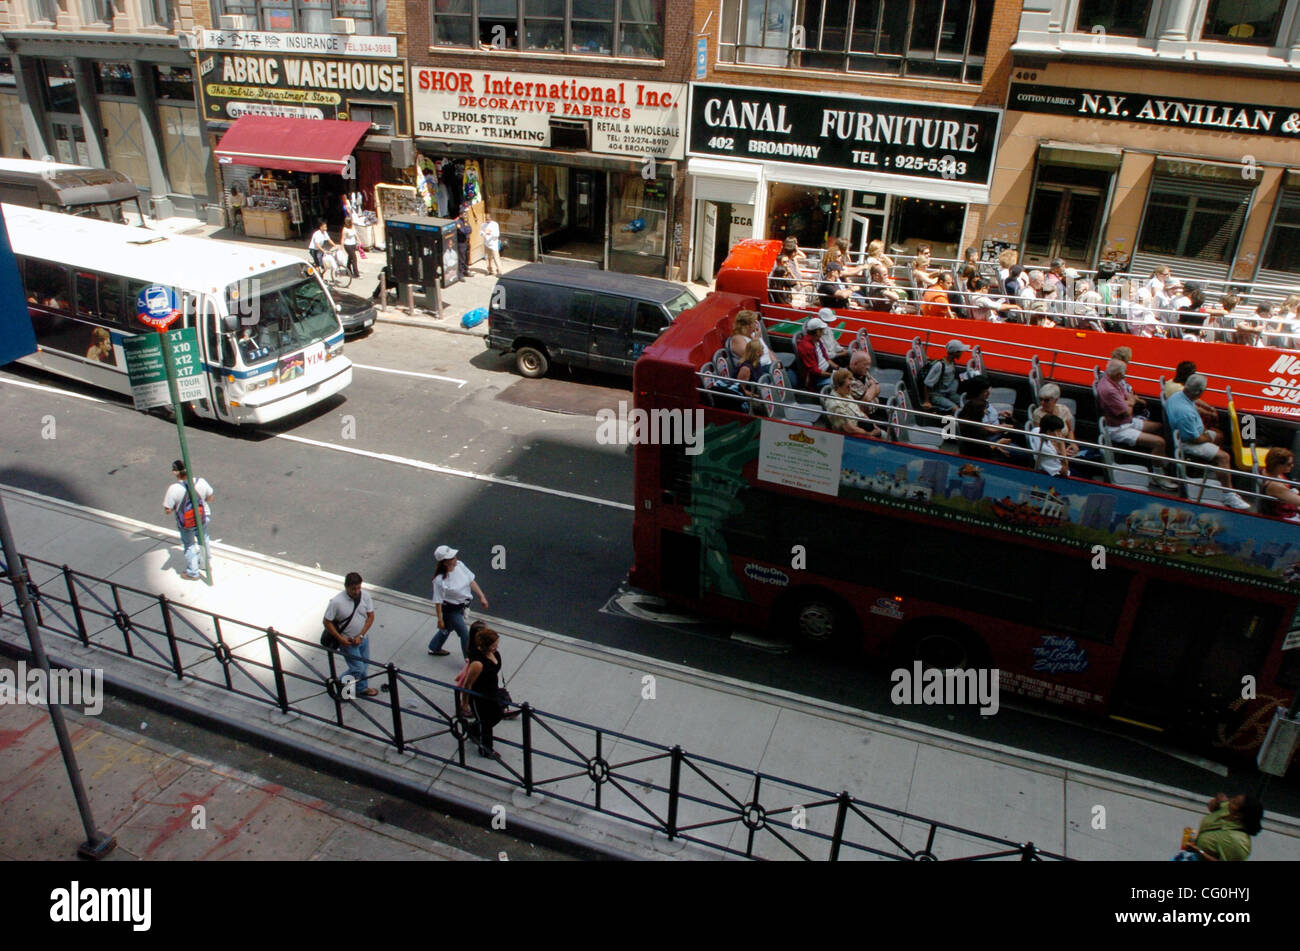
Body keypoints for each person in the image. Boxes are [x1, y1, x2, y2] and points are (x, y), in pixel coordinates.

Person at [1166, 375, 1251, 509]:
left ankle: (1220, 472)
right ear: (1199, 391)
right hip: (1189, 443)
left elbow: (1194, 403)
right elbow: (1194, 439)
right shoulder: (1185, 413)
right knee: (1224, 457)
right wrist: (1209, 437)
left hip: (1194, 433)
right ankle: (1228, 495)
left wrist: (1209, 410)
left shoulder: (1179, 396)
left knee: (1220, 435)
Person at [426, 545, 489, 658]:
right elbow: (438, 601)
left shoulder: (460, 565)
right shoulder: (440, 580)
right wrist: (440, 619)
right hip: (451, 610)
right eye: (452, 558)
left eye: (454, 556)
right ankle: (468, 659)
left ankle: (434, 647)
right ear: (445, 562)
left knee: (447, 628)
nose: (455, 558)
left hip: (462, 606)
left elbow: (471, 581)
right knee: (465, 634)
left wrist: (481, 596)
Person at [1097, 358, 1166, 457]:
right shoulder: (1109, 390)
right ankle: (1158, 471)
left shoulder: (1114, 380)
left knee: (1160, 427)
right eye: (1125, 372)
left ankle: (1156, 457)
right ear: (1118, 374)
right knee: (1160, 442)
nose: (1126, 373)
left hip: (1127, 422)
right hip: (1118, 429)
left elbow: (1129, 395)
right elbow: (1128, 411)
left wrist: (1129, 401)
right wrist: (1131, 402)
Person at [323, 572, 377, 697]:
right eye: (353, 589)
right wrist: (340, 639)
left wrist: (361, 635)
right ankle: (341, 685)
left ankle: (361, 688)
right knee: (358, 668)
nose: (357, 591)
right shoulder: (336, 602)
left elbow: (371, 616)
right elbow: (327, 621)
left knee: (364, 665)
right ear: (346, 587)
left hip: (363, 639)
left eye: (359, 587)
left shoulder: (365, 596)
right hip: (348, 642)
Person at [162, 460, 214, 580]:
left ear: (175, 472)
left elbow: (168, 510)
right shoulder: (201, 482)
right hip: (203, 517)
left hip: (186, 523)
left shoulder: (173, 489)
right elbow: (210, 498)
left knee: (189, 545)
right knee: (204, 539)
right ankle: (205, 564)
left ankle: (193, 572)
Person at [1173, 792, 1263, 861]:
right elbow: (1215, 804)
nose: (1230, 800)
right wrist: (1216, 801)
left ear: (1239, 815)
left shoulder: (1237, 842)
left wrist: (1200, 851)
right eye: (1233, 798)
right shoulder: (1226, 809)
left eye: (1234, 802)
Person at [459, 626, 505, 758]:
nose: (496, 647)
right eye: (494, 644)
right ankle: (486, 749)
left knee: (497, 715)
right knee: (486, 723)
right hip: (480, 696)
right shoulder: (478, 663)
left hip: (492, 691)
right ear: (486, 645)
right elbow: (468, 684)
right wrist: (465, 703)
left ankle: (473, 729)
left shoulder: (494, 653)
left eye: (496, 644)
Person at [822, 368, 882, 437]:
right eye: (848, 386)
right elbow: (850, 429)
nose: (850, 389)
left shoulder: (846, 393)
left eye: (851, 385)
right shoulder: (835, 405)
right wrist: (869, 434)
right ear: (838, 386)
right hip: (853, 437)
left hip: (863, 427)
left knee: (882, 433)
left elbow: (860, 412)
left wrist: (873, 425)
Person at [921, 339, 969, 414]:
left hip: (948, 393)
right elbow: (927, 384)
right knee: (955, 409)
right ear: (955, 352)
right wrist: (927, 401)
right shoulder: (939, 366)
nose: (962, 353)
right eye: (960, 352)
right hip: (937, 395)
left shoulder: (952, 363)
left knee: (968, 404)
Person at [795, 315, 837, 389]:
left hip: (828, 370)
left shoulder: (818, 340)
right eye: (822, 329)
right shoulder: (806, 347)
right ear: (817, 331)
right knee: (843, 381)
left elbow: (827, 358)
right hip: (818, 379)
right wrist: (833, 375)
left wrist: (838, 368)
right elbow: (815, 371)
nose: (824, 331)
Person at [1260, 448, 1300, 520]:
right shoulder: (1275, 485)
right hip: (1286, 517)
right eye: (1288, 464)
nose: (1292, 466)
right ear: (1278, 465)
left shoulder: (1267, 471)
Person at [481, 211, 502, 276]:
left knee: (496, 258)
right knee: (488, 258)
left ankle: (499, 271)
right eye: (486, 219)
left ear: (491, 218)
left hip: (493, 244)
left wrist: (490, 233)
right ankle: (490, 270)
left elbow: (497, 234)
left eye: (488, 218)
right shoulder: (483, 225)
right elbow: (481, 233)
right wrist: (484, 233)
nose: (487, 220)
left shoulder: (495, 224)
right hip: (487, 243)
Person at [456, 206, 472, 277]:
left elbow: (470, 230)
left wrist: (466, 229)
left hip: (466, 242)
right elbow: (463, 232)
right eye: (464, 213)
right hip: (461, 243)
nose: (465, 214)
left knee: (466, 258)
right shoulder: (458, 222)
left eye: (465, 213)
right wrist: (466, 229)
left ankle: (466, 271)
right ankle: (460, 274)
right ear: (460, 214)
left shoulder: (465, 221)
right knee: (461, 259)